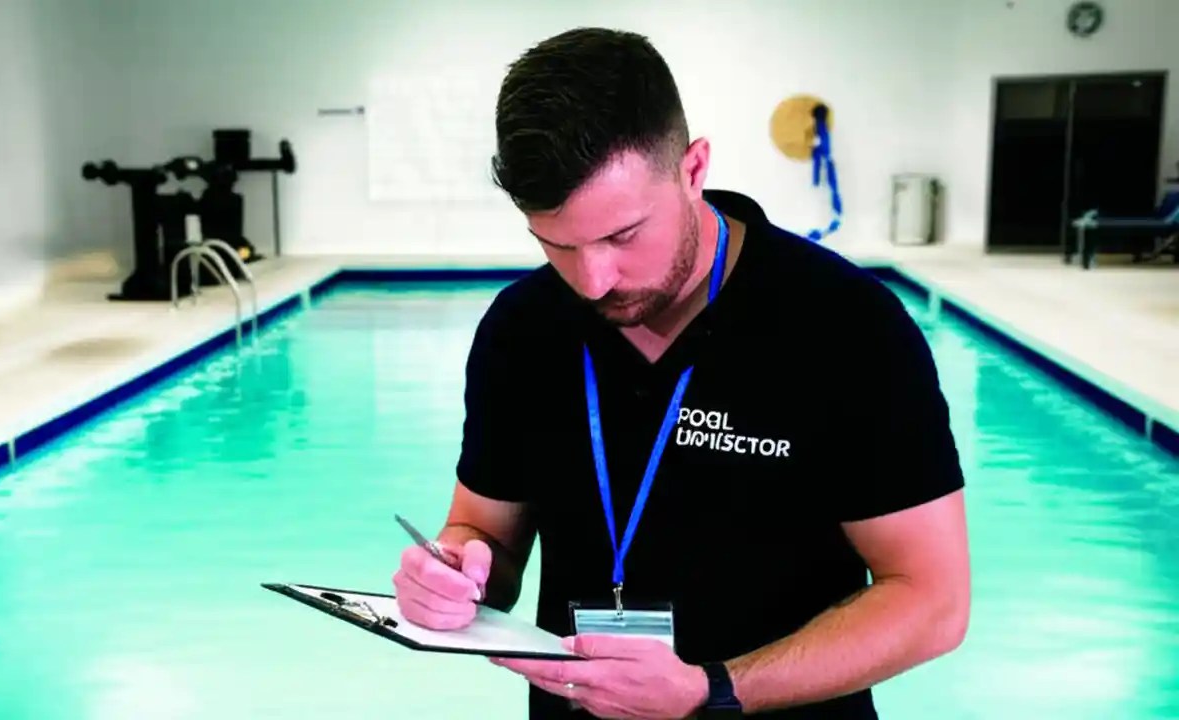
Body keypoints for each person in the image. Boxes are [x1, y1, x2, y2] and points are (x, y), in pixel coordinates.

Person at [391, 27, 970, 719]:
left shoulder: (845, 326)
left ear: (693, 170)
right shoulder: (522, 329)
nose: (594, 280)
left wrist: (714, 690)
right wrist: (456, 571)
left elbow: (932, 600)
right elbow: (485, 533)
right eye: (556, 244)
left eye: (622, 236)